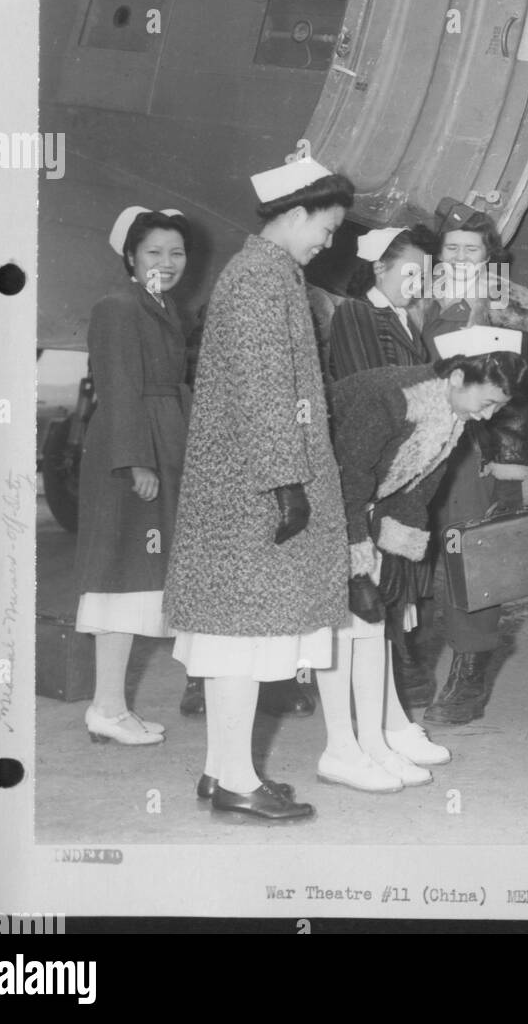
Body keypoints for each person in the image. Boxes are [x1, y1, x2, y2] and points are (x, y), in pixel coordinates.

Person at [163, 157, 354, 821]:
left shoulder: (263, 274)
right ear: (295, 213)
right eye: (325, 229)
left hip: (238, 484)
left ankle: (222, 771)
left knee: (228, 637)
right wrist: (285, 481)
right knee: (243, 638)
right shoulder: (259, 281)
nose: (326, 242)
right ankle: (239, 781)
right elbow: (266, 387)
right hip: (253, 489)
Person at [320, 328, 528, 790]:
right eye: (488, 401)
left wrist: (397, 551)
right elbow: (347, 482)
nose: (490, 414)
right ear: (457, 375)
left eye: (498, 406)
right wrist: (356, 566)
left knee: (375, 624)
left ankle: (377, 740)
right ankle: (340, 747)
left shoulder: (454, 411)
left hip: (359, 506)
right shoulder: (391, 398)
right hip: (321, 501)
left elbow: (418, 487)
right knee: (338, 625)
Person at [410, 203, 528, 725]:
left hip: (474, 448)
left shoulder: (512, 302)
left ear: (491, 254)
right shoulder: (417, 294)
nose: (462, 256)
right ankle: (412, 658)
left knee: (472, 555)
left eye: (473, 248)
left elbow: (521, 392)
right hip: (418, 441)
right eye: (453, 247)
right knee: (410, 549)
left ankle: (470, 669)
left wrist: (509, 463)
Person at [75, 206, 193, 746]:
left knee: (141, 578)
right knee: (125, 578)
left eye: (176, 253)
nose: (166, 263)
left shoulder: (164, 305)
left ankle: (111, 707)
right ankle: (106, 707)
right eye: (154, 252)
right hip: (134, 448)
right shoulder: (118, 307)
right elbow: (117, 386)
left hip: (162, 438)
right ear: (130, 256)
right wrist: (136, 460)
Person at [328, 224, 438, 707]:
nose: (419, 282)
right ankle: (387, 666)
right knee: (369, 564)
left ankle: (397, 657)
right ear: (380, 267)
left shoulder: (406, 318)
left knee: (395, 563)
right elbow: (374, 388)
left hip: (406, 457)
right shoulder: (357, 314)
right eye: (410, 271)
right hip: (376, 458)